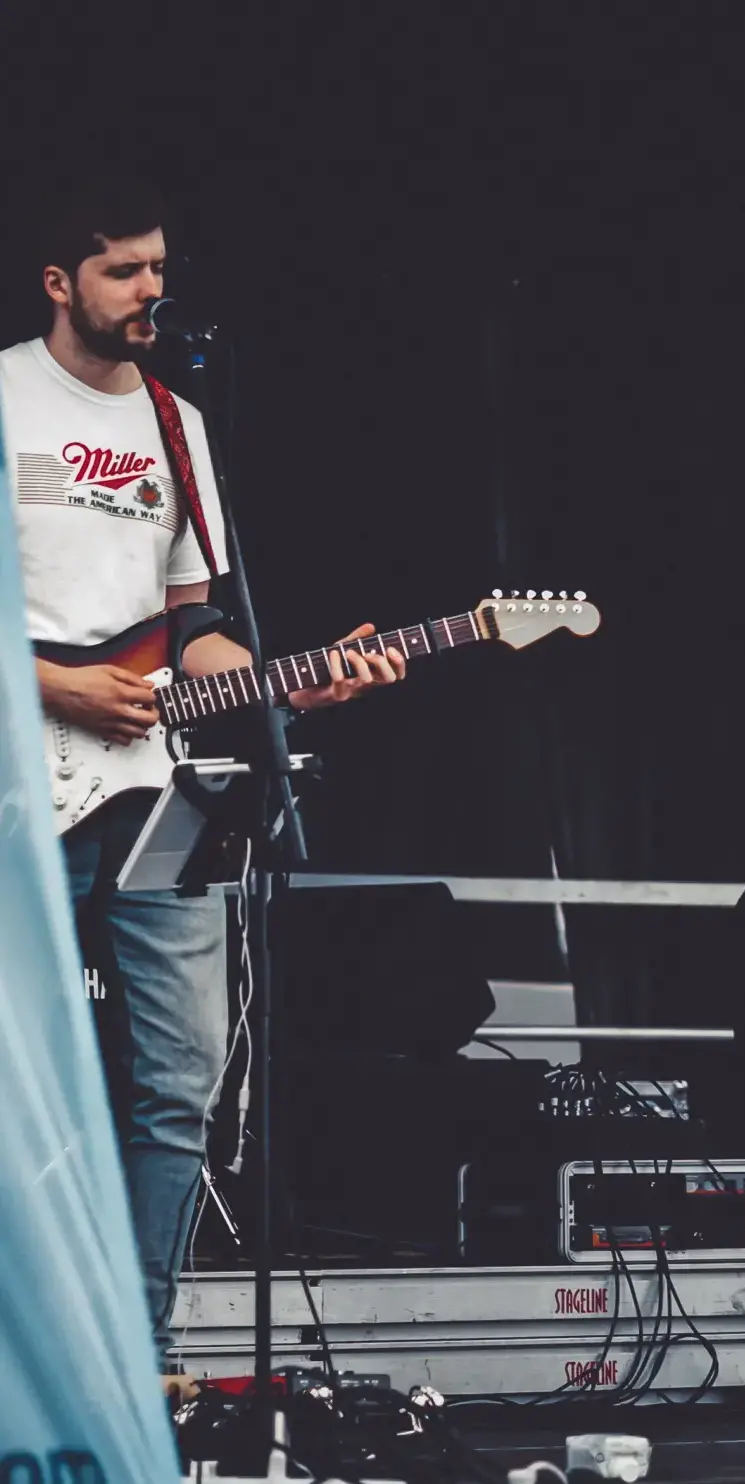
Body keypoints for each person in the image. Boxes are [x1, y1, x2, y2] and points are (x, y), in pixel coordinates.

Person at [4, 176, 403, 1367]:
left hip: (145, 786)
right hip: (22, 779)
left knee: (181, 1076)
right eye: (126, 270)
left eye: (161, 269)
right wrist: (50, 683)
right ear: (60, 282)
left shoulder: (180, 423)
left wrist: (288, 675)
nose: (152, 292)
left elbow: (193, 624)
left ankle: (134, 1354)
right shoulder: (8, 394)